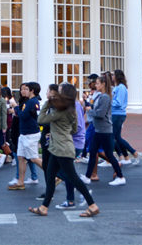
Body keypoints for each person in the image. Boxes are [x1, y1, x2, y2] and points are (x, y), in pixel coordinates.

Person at [29, 83, 99, 218]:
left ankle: (92, 205)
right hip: (60, 147)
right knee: (50, 176)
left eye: (60, 91)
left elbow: (41, 119)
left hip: (61, 149)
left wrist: (48, 102)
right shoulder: (71, 109)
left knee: (73, 178)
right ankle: (44, 207)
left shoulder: (60, 111)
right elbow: (73, 129)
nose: (57, 93)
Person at [80, 74, 126, 185]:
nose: (95, 85)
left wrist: (88, 109)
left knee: (109, 154)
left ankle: (120, 176)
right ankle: (87, 176)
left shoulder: (105, 97)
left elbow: (100, 114)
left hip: (105, 130)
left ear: (103, 84)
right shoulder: (101, 96)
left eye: (97, 83)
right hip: (99, 129)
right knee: (92, 151)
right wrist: (88, 105)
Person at [8, 82, 44, 189]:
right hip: (24, 134)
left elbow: (22, 115)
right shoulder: (29, 102)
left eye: (27, 89)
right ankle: (20, 182)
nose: (24, 91)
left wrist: (15, 107)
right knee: (20, 157)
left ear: (32, 91)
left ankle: (56, 174)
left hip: (30, 134)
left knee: (33, 158)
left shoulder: (32, 102)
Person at [111, 70, 140, 165]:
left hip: (118, 114)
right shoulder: (117, 87)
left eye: (113, 74)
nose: (112, 76)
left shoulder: (121, 88)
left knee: (116, 137)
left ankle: (133, 152)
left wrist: (109, 102)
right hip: (116, 114)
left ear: (117, 76)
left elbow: (118, 102)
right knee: (116, 137)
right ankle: (128, 155)